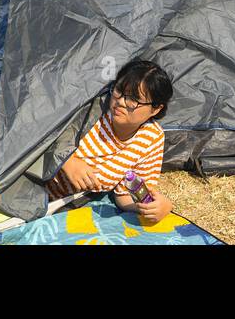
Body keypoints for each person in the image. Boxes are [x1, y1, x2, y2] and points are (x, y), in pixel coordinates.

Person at [47, 60, 174, 225]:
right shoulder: (92, 113)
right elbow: (34, 138)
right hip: (28, 189)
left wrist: (156, 207)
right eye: (119, 90)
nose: (120, 101)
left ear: (155, 109)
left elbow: (124, 194)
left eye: (133, 99)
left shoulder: (151, 138)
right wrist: (66, 161)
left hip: (63, 206)